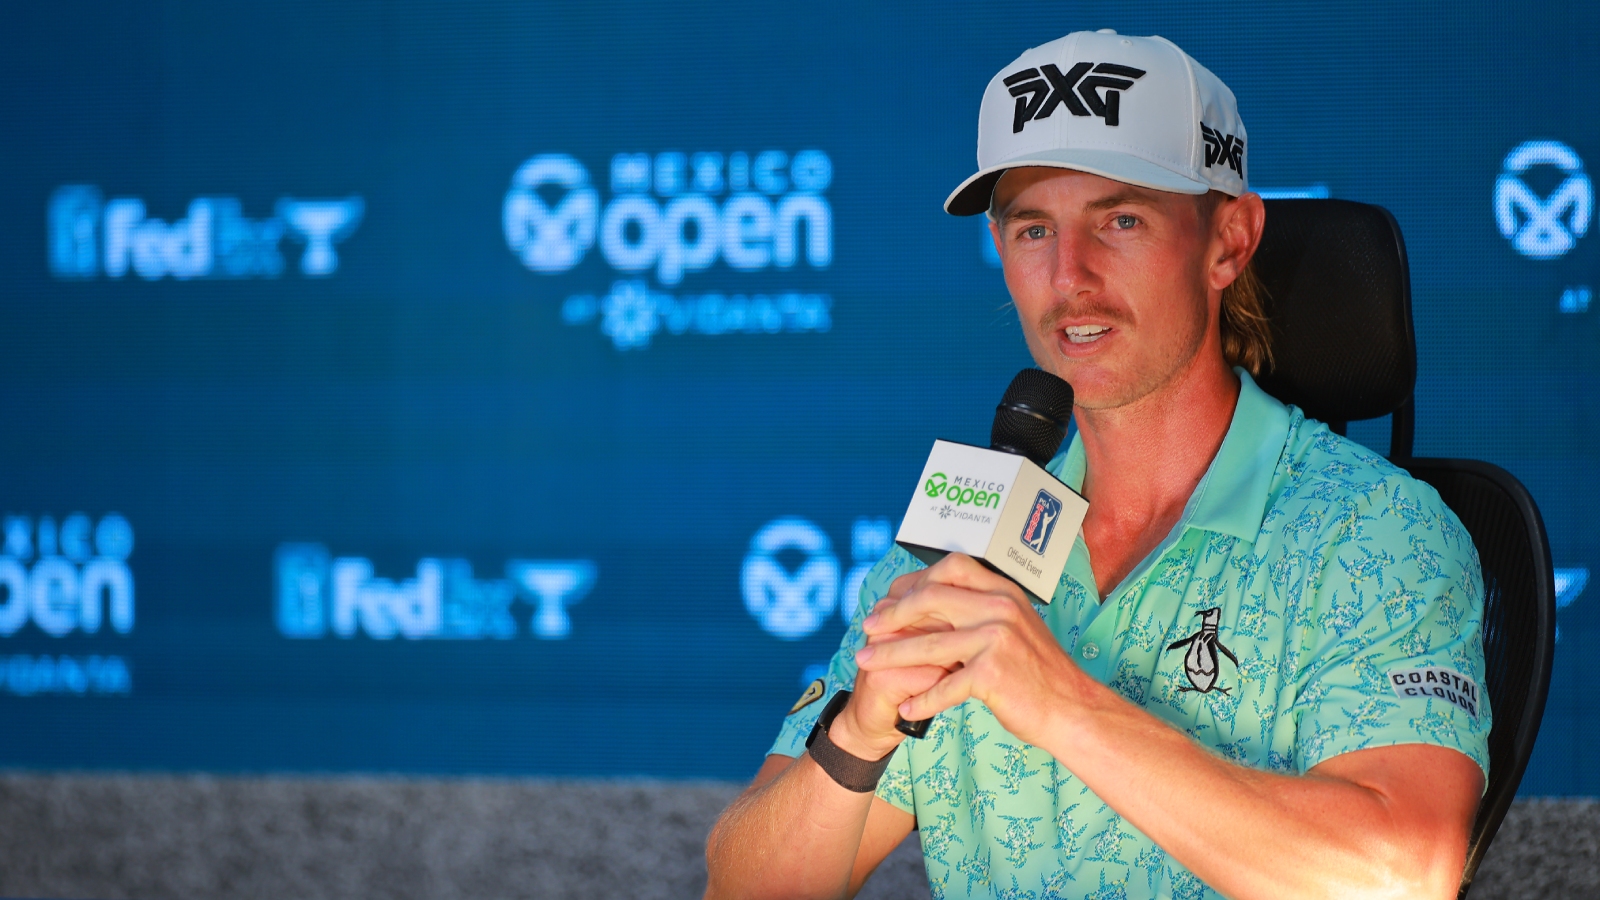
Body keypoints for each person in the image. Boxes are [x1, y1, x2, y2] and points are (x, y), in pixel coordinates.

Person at [705, 29, 1489, 900]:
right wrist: (857, 732)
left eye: (1121, 220)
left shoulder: (1375, 530)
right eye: (1033, 228)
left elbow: (1404, 875)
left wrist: (1060, 704)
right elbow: (742, 889)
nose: (1068, 276)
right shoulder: (960, 542)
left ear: (1229, 240)